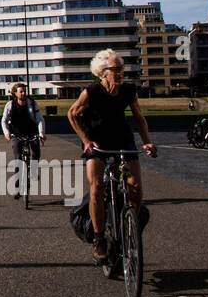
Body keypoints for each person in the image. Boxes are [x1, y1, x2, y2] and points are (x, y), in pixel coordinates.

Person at [67, 49, 156, 263]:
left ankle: (129, 227)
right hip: (98, 143)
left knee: (134, 186)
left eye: (121, 69)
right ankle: (99, 238)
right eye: (115, 69)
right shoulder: (92, 91)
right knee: (96, 188)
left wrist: (147, 142)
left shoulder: (128, 91)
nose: (120, 73)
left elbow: (139, 118)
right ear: (102, 72)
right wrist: (86, 141)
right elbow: (72, 114)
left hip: (122, 141)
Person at [1, 82, 45, 198]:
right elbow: (4, 121)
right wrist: (6, 133)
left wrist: (41, 133)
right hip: (17, 134)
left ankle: (33, 172)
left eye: (25, 91)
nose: (24, 93)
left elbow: (40, 119)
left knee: (36, 152)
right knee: (18, 159)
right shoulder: (10, 105)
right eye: (21, 91)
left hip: (31, 132)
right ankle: (17, 187)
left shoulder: (32, 103)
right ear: (15, 93)